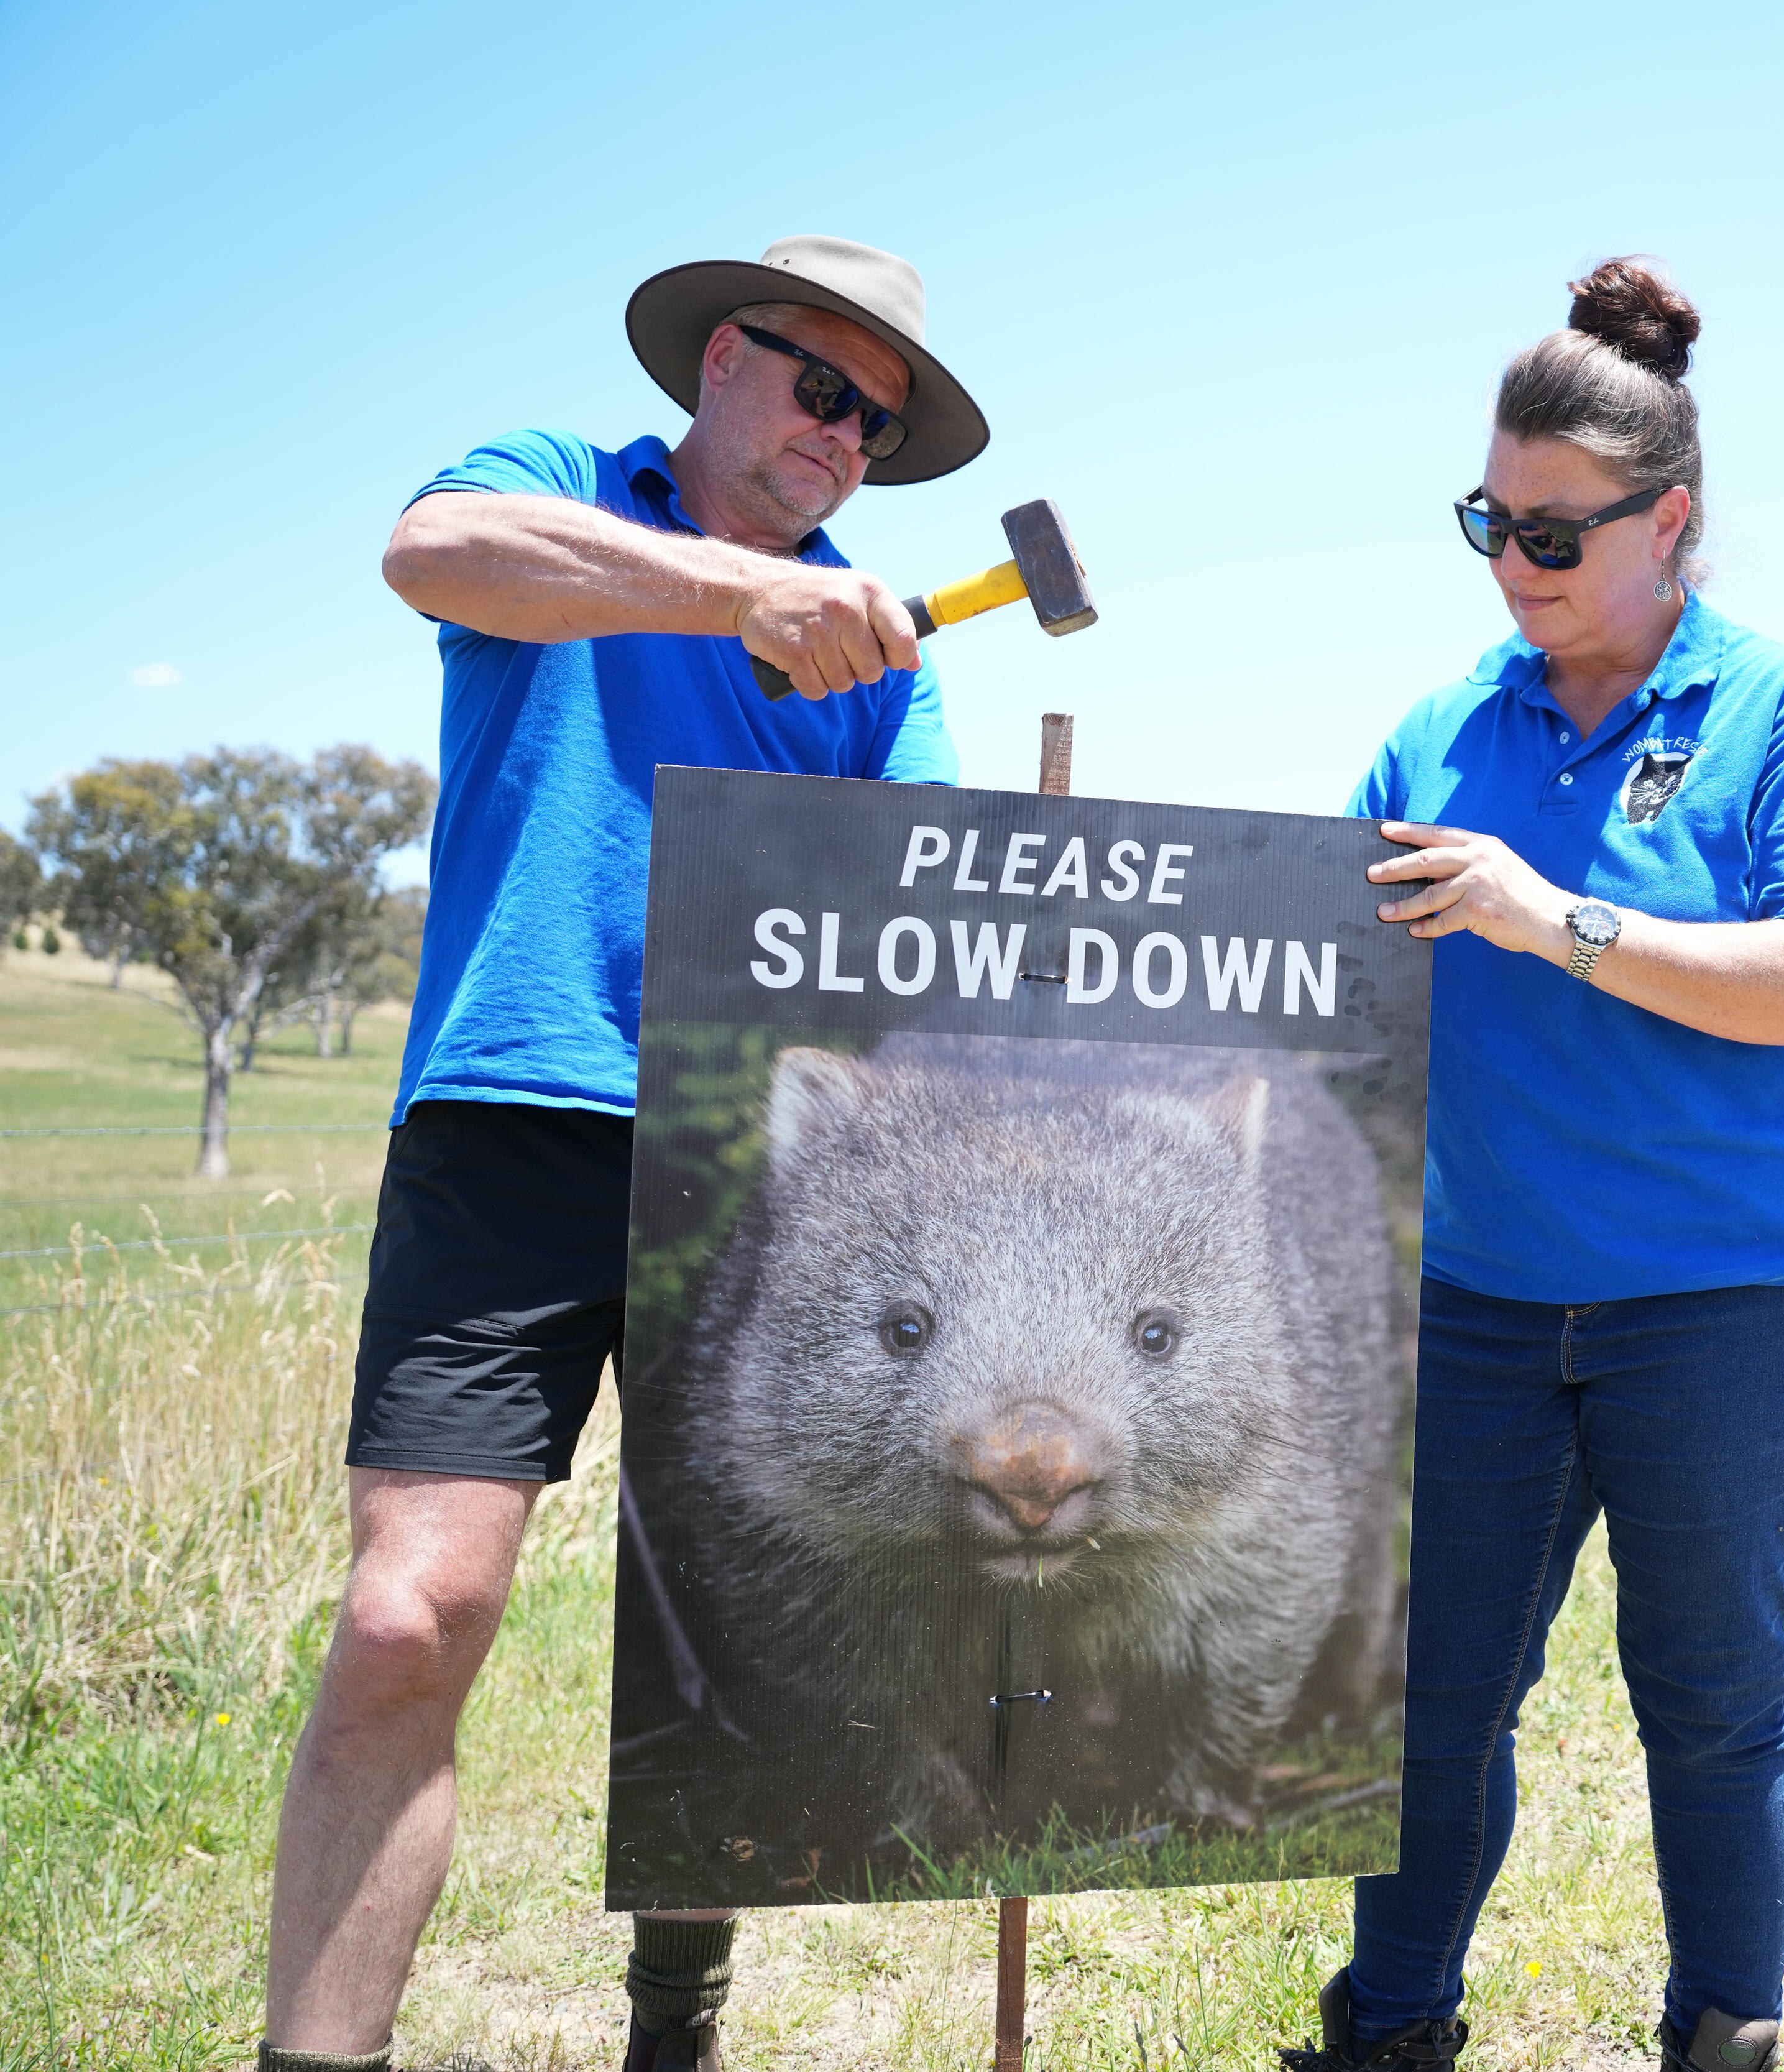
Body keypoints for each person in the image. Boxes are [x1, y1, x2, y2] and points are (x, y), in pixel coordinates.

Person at [256, 236, 990, 2072]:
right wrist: (739, 598)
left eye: (879, 426)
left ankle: (678, 2025)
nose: (847, 439)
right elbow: (431, 551)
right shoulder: (557, 487)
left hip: (753, 1169)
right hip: (511, 1118)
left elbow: (918, 909)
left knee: (717, 1638)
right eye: (824, 387)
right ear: (721, 359)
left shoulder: (883, 659)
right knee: (411, 1614)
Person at [1282, 260, 1784, 2072]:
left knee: (1710, 1699)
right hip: (1479, 1297)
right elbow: (1322, 989)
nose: (1513, 565)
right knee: (1439, 1696)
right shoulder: (1440, 733)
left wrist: (1551, 916)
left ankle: (1723, 2037)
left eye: (1554, 535)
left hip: (1736, 1297)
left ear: (1671, 522)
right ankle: (1391, 2033)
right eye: (1490, 523)